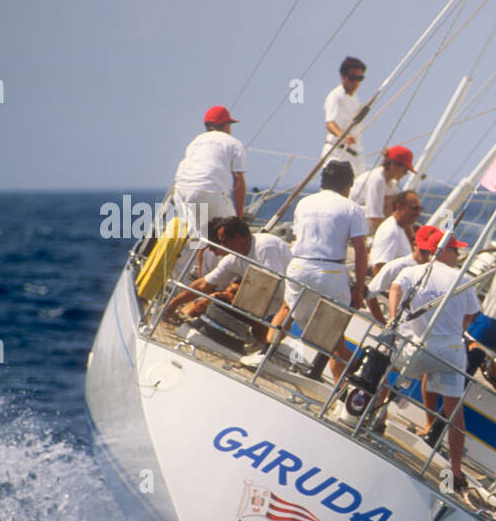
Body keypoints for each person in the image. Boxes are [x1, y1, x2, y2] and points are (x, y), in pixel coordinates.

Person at [388, 228, 480, 489]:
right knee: (454, 412)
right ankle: (455, 470)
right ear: (446, 252)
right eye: (456, 251)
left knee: (387, 370)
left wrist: (394, 319)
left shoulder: (414, 272)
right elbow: (470, 317)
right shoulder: (463, 279)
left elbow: (395, 289)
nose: (459, 256)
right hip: (451, 350)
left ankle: (378, 420)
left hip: (420, 345)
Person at [265, 160, 368, 380]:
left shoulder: (305, 203)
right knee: (333, 329)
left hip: (299, 265)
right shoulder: (351, 208)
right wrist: (358, 288)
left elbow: (297, 236)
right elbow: (360, 250)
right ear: (347, 185)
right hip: (330, 272)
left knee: (287, 309)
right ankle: (339, 386)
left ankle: (265, 352)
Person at [164, 218, 290, 342]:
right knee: (220, 296)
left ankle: (265, 347)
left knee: (228, 295)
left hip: (286, 302)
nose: (220, 245)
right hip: (261, 303)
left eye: (223, 240)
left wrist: (232, 297)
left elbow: (269, 283)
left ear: (238, 238)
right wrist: (173, 303)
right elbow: (203, 284)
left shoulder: (266, 247)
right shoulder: (233, 259)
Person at [172, 105, 246, 224]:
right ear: (226, 125)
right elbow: (239, 183)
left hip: (180, 194)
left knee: (197, 234)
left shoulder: (195, 142)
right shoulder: (234, 144)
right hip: (208, 194)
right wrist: (240, 219)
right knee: (233, 231)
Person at [351, 145, 416, 232]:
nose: (405, 174)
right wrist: (397, 233)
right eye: (405, 170)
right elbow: (374, 216)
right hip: (359, 229)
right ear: (394, 165)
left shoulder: (391, 184)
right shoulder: (377, 179)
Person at [323, 57, 367, 179]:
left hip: (354, 155)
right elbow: (330, 123)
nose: (356, 82)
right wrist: (343, 136)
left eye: (359, 78)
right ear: (343, 76)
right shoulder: (335, 96)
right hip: (338, 153)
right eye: (352, 78)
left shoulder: (354, 98)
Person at [367, 190, 422, 279]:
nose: (419, 213)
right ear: (399, 207)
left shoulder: (399, 228)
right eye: (415, 208)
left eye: (420, 209)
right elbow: (378, 268)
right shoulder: (391, 231)